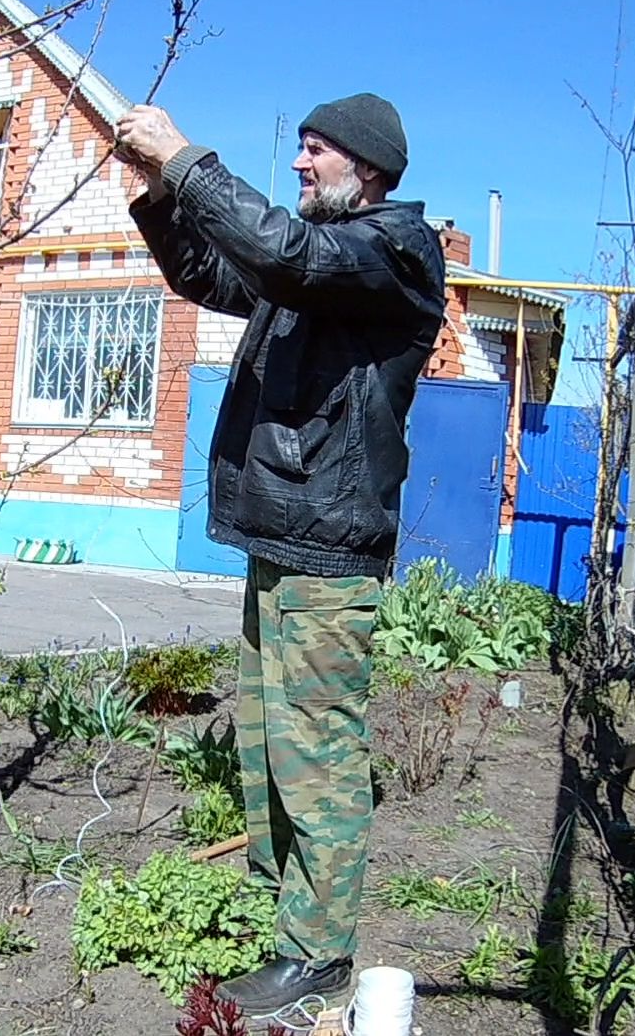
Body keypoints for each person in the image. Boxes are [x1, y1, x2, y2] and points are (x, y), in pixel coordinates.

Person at [116, 93, 446, 1017]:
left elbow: (282, 254)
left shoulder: (390, 252)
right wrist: (155, 196)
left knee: (318, 757)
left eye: (315, 152)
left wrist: (187, 158)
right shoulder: (320, 267)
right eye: (297, 151)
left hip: (328, 554)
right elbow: (216, 278)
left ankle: (321, 953)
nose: (300, 165)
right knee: (271, 748)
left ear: (369, 168)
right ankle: (284, 914)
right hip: (284, 538)